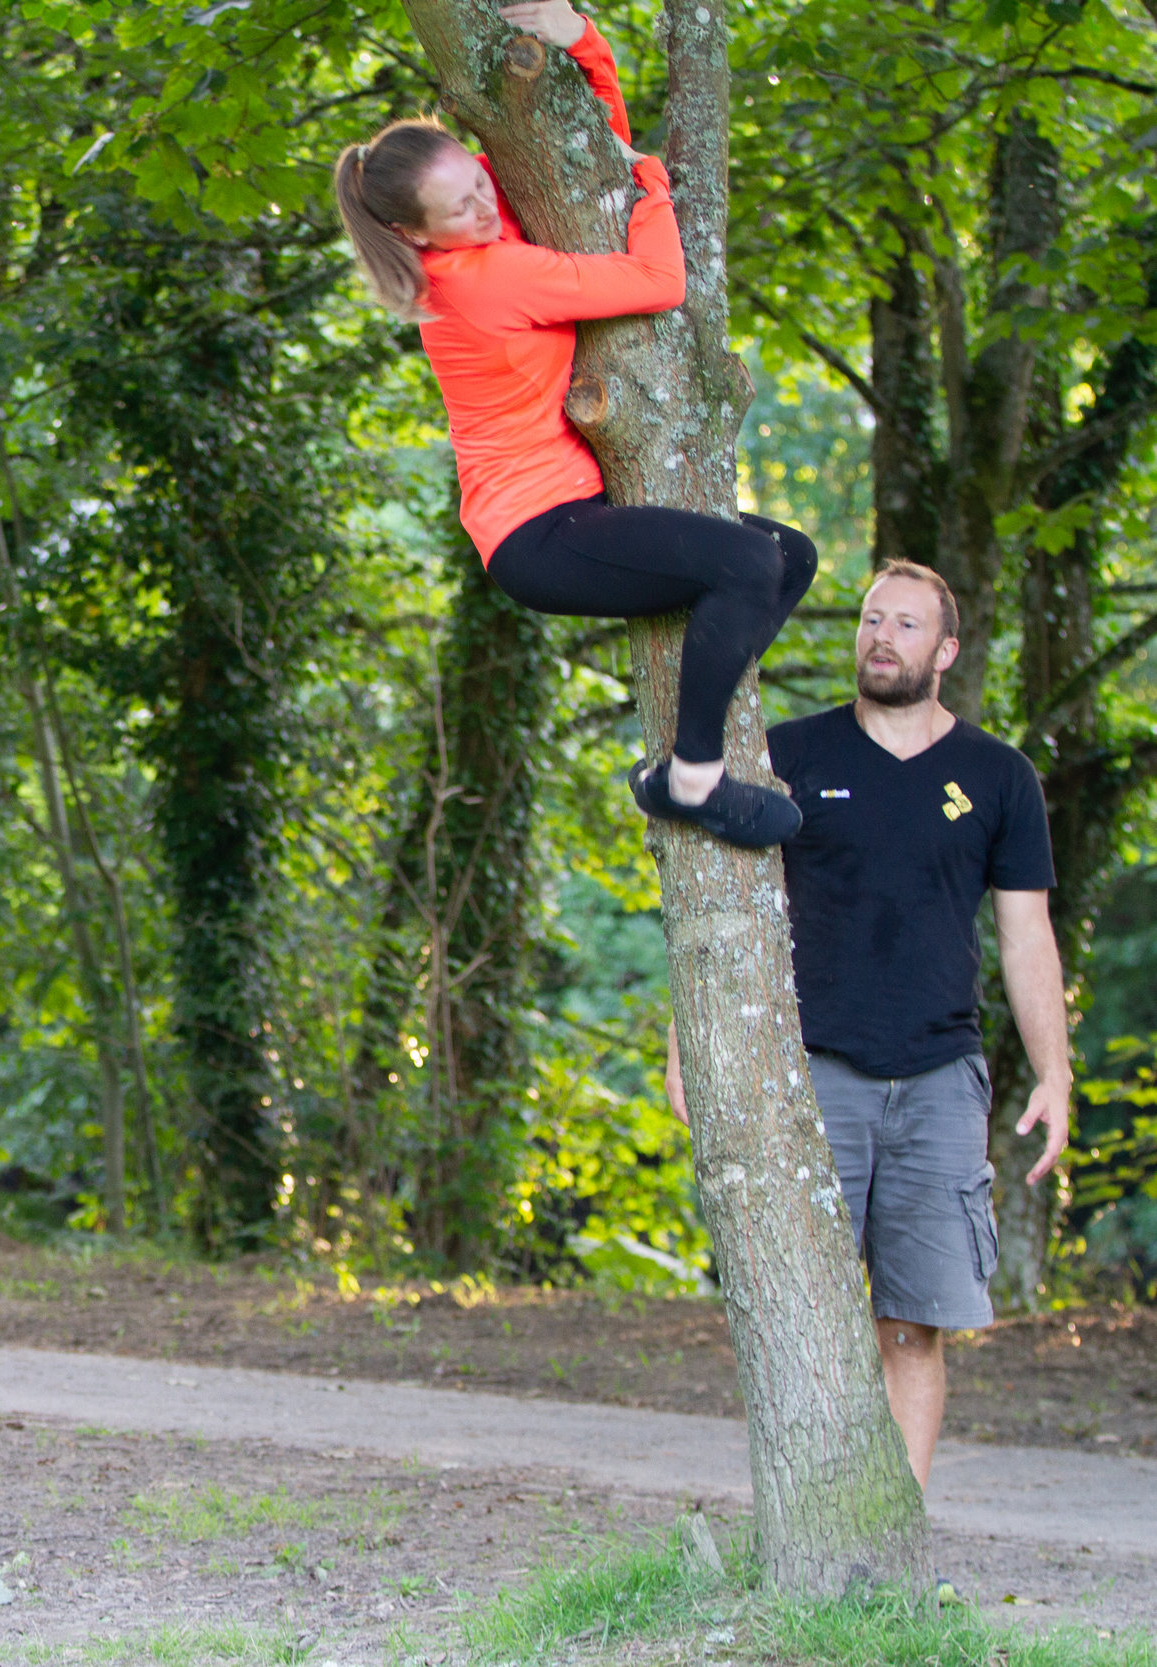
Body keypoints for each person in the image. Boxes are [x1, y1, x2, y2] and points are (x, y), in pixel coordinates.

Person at [332, 0, 815, 849]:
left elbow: (592, 165)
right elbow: (659, 279)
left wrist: (586, 43)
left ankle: (703, 697)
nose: (484, 203)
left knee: (791, 558)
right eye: (461, 206)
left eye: (480, 183)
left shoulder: (477, 236)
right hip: (539, 535)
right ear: (413, 233)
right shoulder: (484, 279)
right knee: (746, 563)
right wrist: (656, 182)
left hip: (579, 507)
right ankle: (691, 779)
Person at [667, 561, 1070, 1489]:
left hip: (939, 1076)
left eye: (907, 625)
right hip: (810, 1072)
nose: (882, 636)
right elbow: (716, 905)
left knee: (912, 1325)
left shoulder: (999, 777)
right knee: (800, 1309)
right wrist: (687, 1048)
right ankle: (807, 1526)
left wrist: (1054, 1073)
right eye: (871, 618)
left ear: (947, 650)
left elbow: (1027, 937)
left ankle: (895, 1539)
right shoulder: (788, 755)